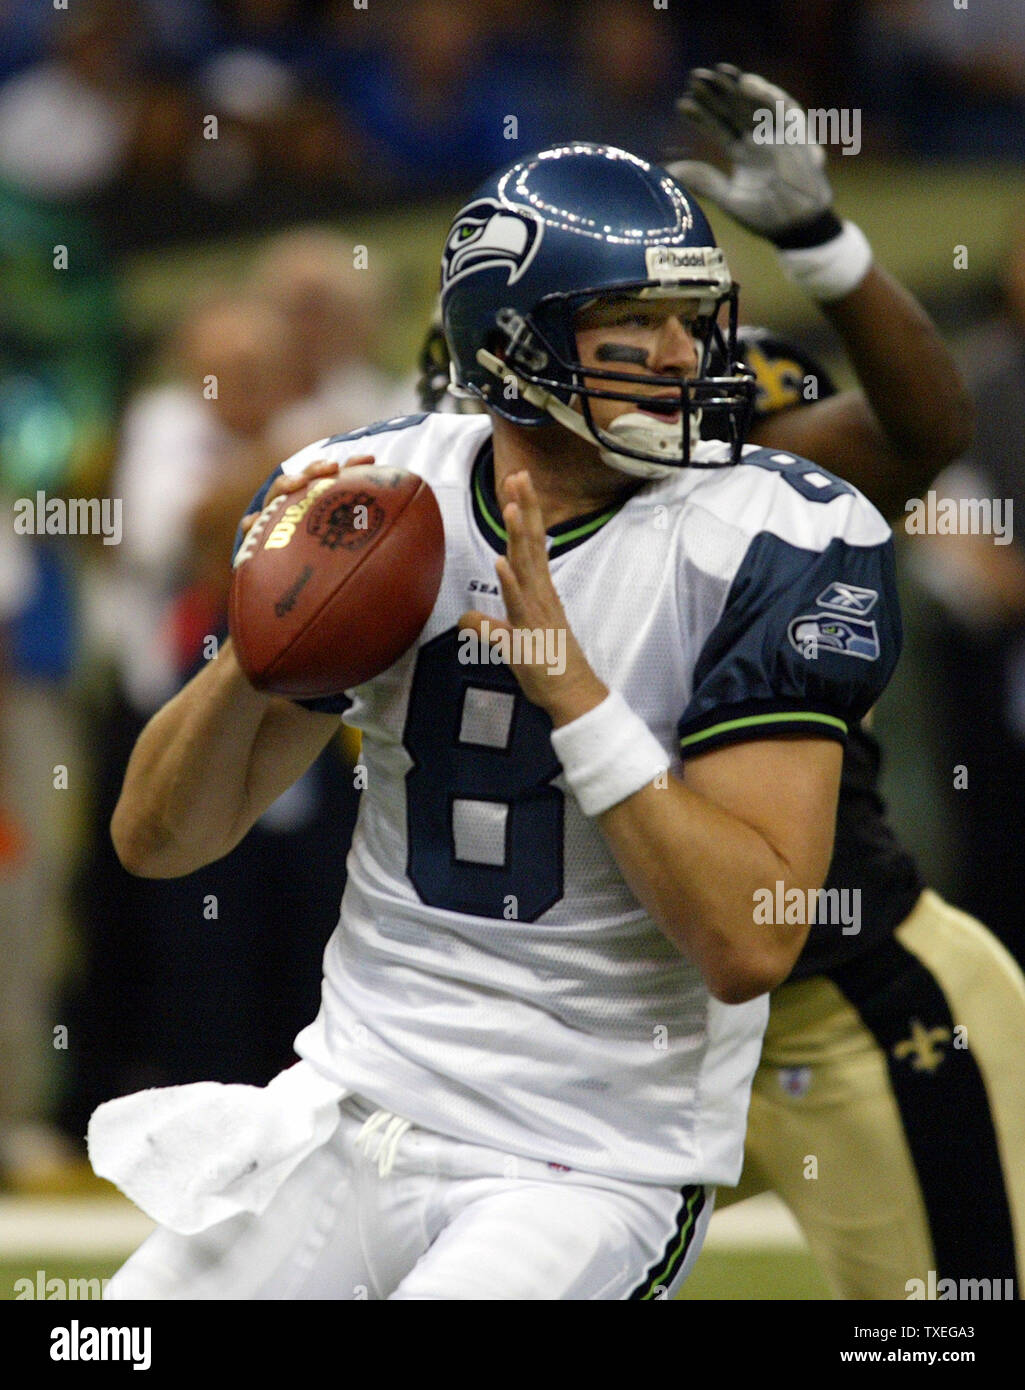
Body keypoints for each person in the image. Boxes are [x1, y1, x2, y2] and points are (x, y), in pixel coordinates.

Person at [90, 142, 899, 1300]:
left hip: (589, 1159)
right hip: (353, 1102)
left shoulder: (771, 538)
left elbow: (746, 942)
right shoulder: (373, 491)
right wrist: (256, 655)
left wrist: (571, 690)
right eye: (634, 320)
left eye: (691, 314)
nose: (686, 352)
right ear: (512, 342)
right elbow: (157, 839)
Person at [670, 65, 1025, 1300]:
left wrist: (820, 243)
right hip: (606, 1024)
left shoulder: (743, 470)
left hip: (846, 995)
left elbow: (918, 435)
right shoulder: (443, 504)